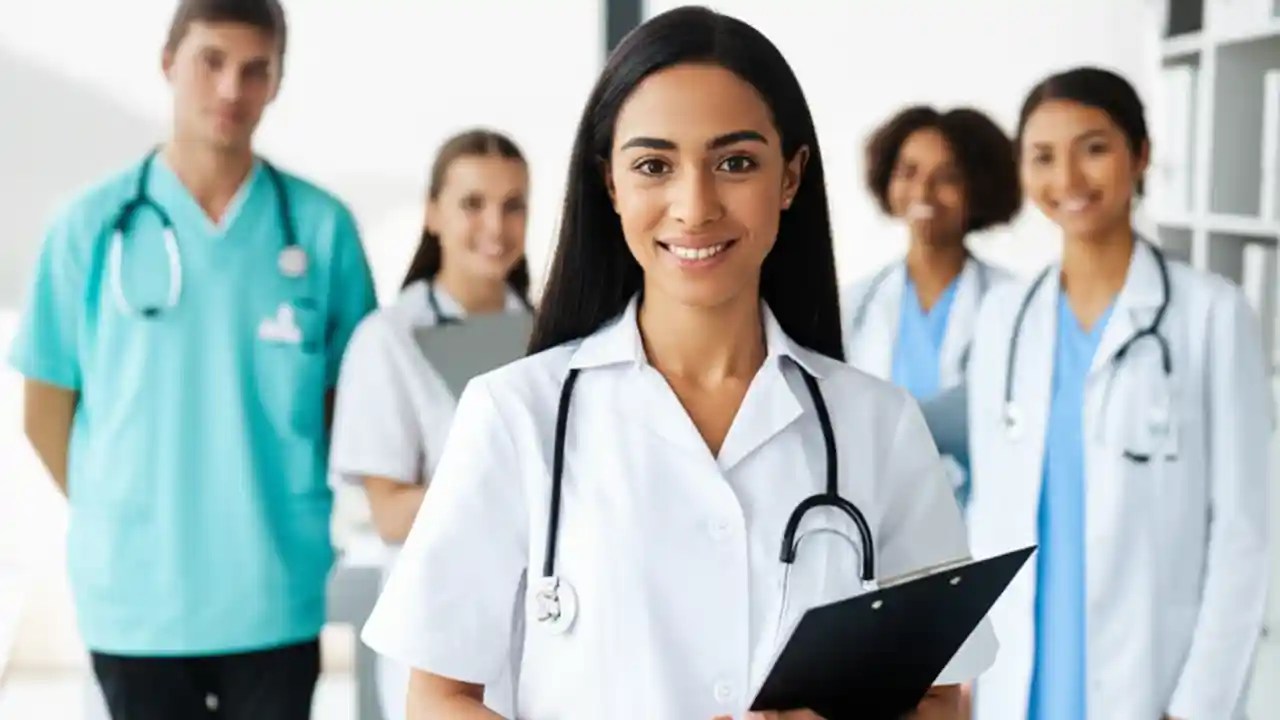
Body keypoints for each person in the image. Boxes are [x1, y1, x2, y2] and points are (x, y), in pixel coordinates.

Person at [360, 6, 996, 719]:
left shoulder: (878, 426)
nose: (694, 207)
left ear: (791, 177)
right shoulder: (516, 414)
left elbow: (943, 698)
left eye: (735, 163)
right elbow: (438, 695)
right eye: (654, 166)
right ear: (610, 183)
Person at [9, 1, 376, 718]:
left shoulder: (322, 230)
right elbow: (45, 408)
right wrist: (128, 509)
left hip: (274, 592)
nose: (231, 90)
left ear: (276, 82)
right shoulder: (88, 227)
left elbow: (352, 408)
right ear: (168, 62)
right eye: (211, 61)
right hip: (138, 598)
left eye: (254, 69)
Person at [965, 66, 1272, 719]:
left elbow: (1244, 533)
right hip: (1022, 678)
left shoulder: (1212, 315)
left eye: (1094, 148)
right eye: (1043, 157)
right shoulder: (1003, 320)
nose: (1068, 180)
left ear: (1141, 155)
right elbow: (990, 515)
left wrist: (1198, 705)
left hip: (1156, 687)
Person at [329, 128, 533, 720]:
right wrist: (516, 487)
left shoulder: (553, 339)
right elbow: (391, 514)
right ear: (433, 212)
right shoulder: (387, 341)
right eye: (473, 203)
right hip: (441, 635)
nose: (495, 226)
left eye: (513, 205)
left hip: (544, 632)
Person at [842, 106, 1021, 510]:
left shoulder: (1015, 306)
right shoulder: (855, 306)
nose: (923, 193)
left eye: (947, 178)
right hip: (877, 518)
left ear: (978, 188)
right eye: (908, 173)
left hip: (977, 519)